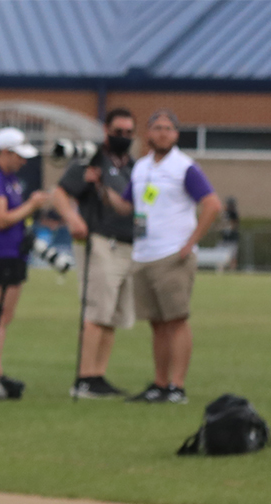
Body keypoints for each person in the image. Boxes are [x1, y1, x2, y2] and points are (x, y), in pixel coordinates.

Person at [115, 109, 220, 404]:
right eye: (157, 128)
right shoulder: (140, 168)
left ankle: (178, 386)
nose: (162, 133)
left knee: (176, 320)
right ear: (148, 133)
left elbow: (212, 205)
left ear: (176, 134)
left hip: (172, 255)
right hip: (144, 253)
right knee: (156, 323)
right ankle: (160, 383)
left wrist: (191, 242)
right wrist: (97, 186)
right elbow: (127, 206)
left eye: (169, 128)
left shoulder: (184, 167)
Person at [53, 107, 137, 399]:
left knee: (112, 314)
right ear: (106, 131)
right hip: (101, 240)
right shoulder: (92, 159)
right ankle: (85, 377)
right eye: (118, 132)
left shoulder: (133, 167)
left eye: (128, 133)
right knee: (97, 310)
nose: (123, 137)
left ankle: (98, 374)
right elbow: (60, 192)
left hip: (129, 244)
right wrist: (73, 219)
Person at [0, 127, 49, 388]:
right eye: (18, 155)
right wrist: (31, 204)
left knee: (5, 315)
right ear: (4, 153)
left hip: (15, 253)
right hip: (3, 254)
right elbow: (1, 219)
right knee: (0, 315)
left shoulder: (10, 180)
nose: (23, 161)